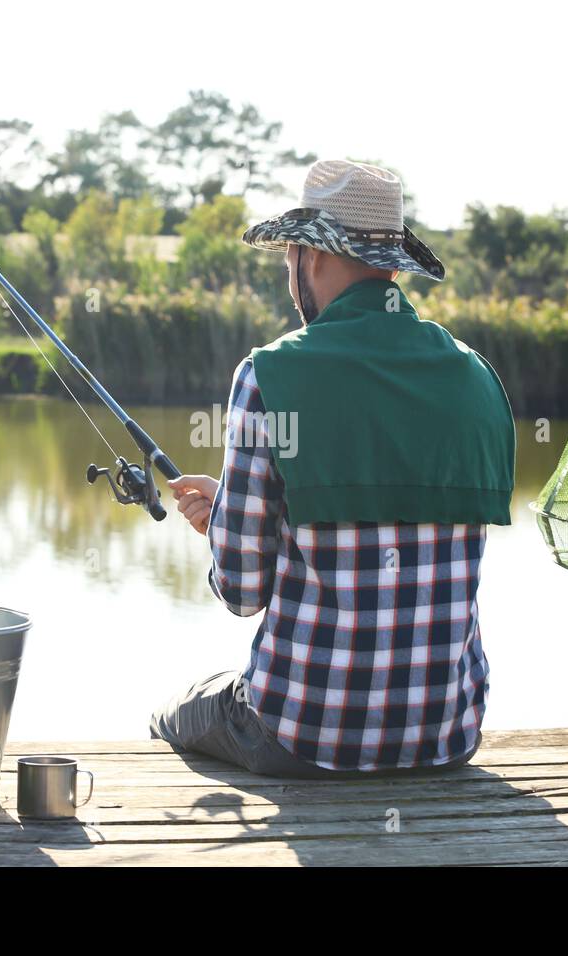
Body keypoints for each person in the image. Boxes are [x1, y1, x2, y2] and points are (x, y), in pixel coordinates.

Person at [149, 159, 516, 778]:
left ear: (310, 258)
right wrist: (238, 508)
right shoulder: (476, 376)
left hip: (303, 735)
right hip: (447, 735)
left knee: (172, 712)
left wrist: (224, 525)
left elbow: (242, 591)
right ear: (393, 266)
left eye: (291, 258)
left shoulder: (268, 374)